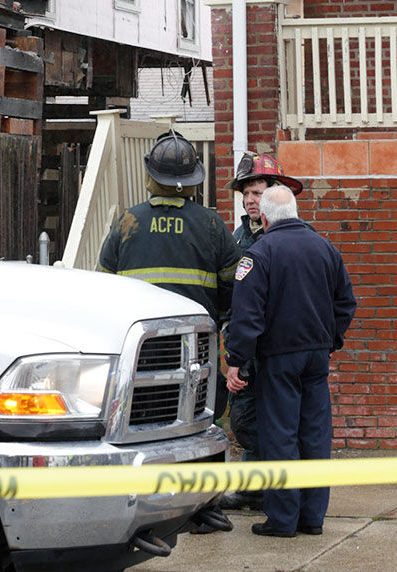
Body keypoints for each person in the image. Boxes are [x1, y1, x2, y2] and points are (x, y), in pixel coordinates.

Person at [98, 130, 240, 533]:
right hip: (198, 349)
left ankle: (144, 507)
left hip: (140, 352)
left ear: (151, 177)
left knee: (142, 427)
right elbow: (234, 285)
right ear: (193, 181)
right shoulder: (212, 224)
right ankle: (205, 508)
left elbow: (102, 284)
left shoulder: (128, 221)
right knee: (205, 425)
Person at [224, 184, 356, 539]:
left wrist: (236, 360)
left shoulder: (259, 253)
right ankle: (312, 518)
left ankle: (282, 521)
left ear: (264, 217)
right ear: (295, 212)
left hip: (278, 359)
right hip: (316, 358)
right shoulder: (325, 248)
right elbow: (346, 302)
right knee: (315, 436)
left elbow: (246, 315)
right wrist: (331, 340)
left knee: (280, 435)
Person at [221, 152, 304, 513]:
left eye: (257, 192)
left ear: (274, 193)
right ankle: (259, 487)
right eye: (247, 193)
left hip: (273, 348)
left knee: (267, 420)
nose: (251, 200)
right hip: (245, 346)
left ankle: (268, 489)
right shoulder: (238, 237)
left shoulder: (284, 237)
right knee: (245, 419)